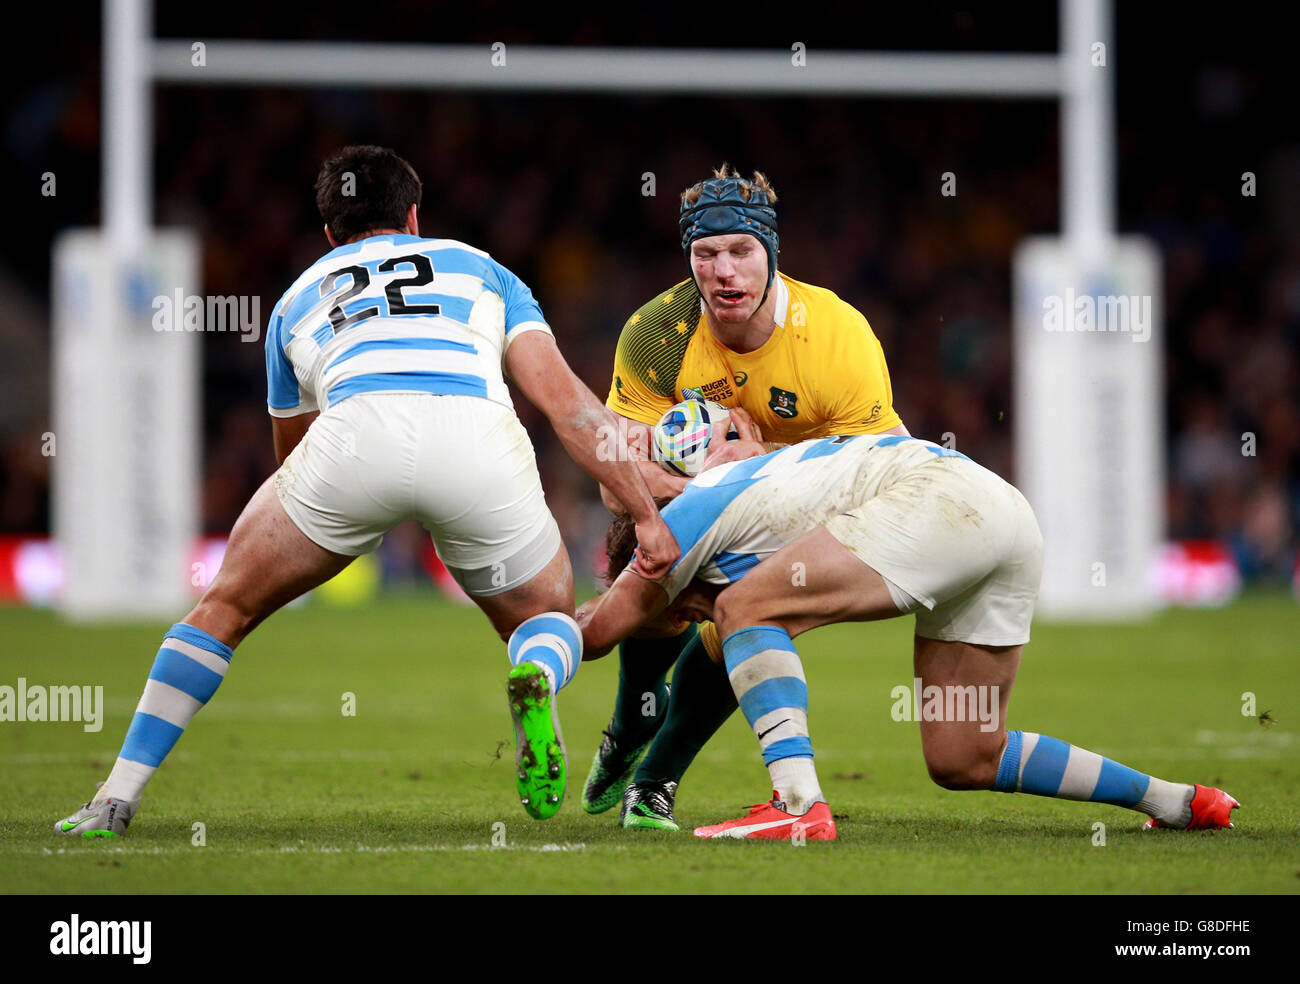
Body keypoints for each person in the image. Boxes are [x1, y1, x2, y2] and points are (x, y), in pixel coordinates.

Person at [54, 145, 677, 837]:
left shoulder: (294, 299)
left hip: (353, 436)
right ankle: (535, 671)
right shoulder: (483, 269)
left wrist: (343, 526)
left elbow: (292, 456)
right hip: (476, 438)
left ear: (329, 233)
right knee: (547, 618)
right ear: (414, 216)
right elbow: (570, 408)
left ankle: (115, 796)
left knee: (222, 608)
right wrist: (645, 515)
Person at [578, 433, 1240, 839]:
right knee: (964, 753)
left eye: (672, 617)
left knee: (746, 610)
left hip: (937, 499)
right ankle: (1179, 802)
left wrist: (530, 627)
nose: (683, 620)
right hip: (1004, 516)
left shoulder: (678, 526)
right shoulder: (752, 493)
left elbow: (602, 630)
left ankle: (798, 806)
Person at [586, 164, 909, 832]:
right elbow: (612, 472)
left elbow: (882, 470)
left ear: (772, 255)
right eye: (706, 254)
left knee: (748, 605)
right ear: (689, 260)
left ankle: (653, 782)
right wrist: (715, 484)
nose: (723, 271)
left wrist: (761, 468)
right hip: (697, 499)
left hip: (822, 503)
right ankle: (630, 722)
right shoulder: (656, 334)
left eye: (741, 252)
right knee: (639, 539)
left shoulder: (836, 336)